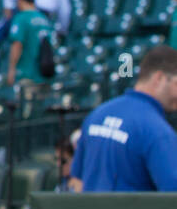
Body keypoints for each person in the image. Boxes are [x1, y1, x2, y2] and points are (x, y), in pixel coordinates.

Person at [69, 45, 177, 192]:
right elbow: (172, 197)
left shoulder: (98, 114)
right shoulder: (157, 131)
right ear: (159, 78)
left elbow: (76, 182)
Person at [5, 0, 55, 91]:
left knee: (27, 106)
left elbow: (17, 44)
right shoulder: (43, 18)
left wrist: (12, 69)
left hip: (27, 74)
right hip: (44, 74)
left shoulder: (21, 18)